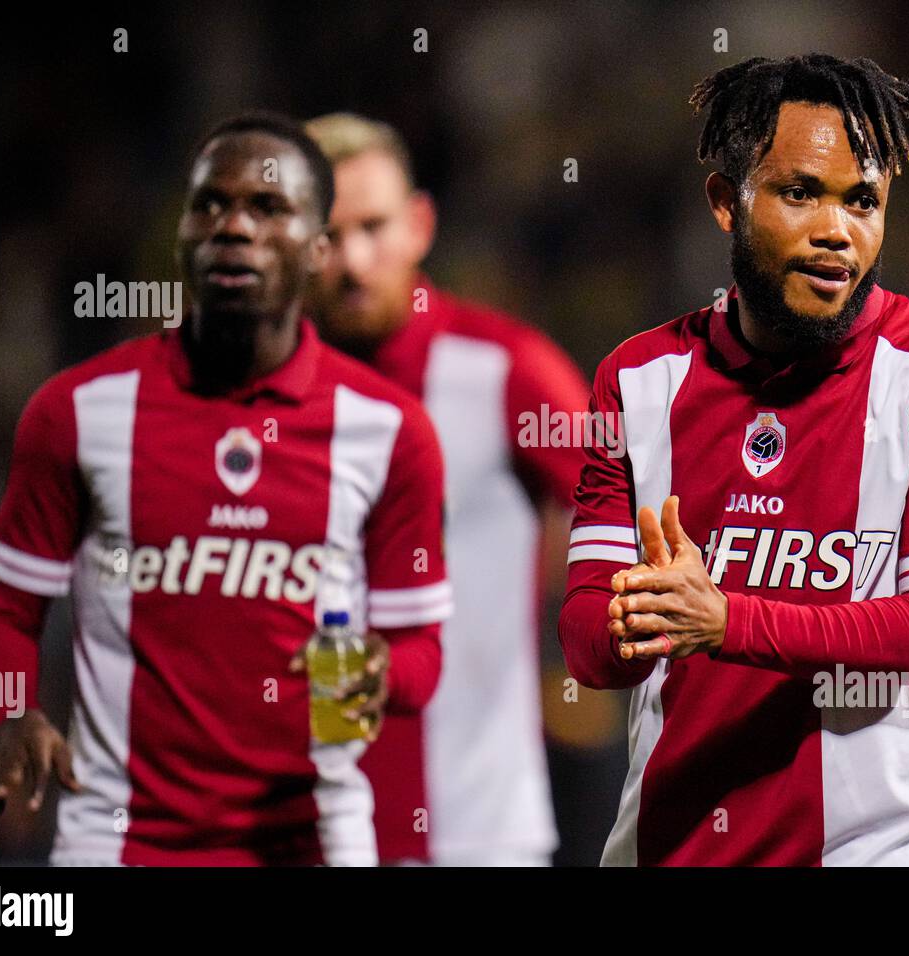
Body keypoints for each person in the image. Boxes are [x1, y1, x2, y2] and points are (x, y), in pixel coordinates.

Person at [559, 53, 909, 866]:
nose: (837, 229)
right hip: (670, 847)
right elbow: (585, 645)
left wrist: (726, 620)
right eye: (800, 192)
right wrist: (636, 620)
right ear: (724, 204)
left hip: (876, 850)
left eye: (863, 200)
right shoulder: (634, 382)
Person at [0, 112, 451, 866]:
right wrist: (14, 716)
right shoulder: (76, 412)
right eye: (210, 205)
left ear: (319, 248)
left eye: (266, 209)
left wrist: (381, 673)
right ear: (182, 235)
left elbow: (420, 649)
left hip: (312, 841)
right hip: (116, 840)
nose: (233, 227)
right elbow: (6, 613)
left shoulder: (391, 432)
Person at [305, 113, 588, 866]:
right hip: (292, 834)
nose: (353, 260)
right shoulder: (250, 401)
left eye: (373, 225)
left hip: (476, 834)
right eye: (327, 236)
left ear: (420, 224)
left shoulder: (507, 373)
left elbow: (634, 516)